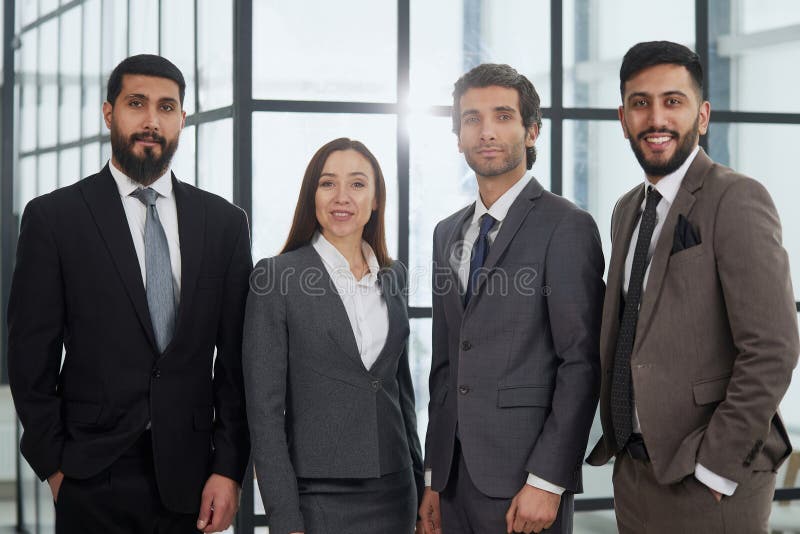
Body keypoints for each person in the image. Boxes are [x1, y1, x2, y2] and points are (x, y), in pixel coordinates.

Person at [7, 54, 252, 533]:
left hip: (191, 478)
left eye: (166, 107)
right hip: (89, 475)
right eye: (136, 103)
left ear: (183, 119)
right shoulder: (54, 219)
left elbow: (236, 364)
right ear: (108, 112)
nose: (150, 120)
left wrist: (228, 468)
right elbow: (28, 358)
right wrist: (56, 467)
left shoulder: (223, 224)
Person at [586, 40, 799, 533]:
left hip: (710, 484)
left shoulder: (737, 198)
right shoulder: (625, 212)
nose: (656, 117)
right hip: (635, 475)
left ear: (702, 115)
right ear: (623, 118)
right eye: (641, 103)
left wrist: (715, 469)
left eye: (672, 101)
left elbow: (771, 349)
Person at [418, 63, 605, 534]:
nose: (486, 131)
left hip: (526, 480)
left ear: (532, 130)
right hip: (453, 479)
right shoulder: (447, 233)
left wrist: (549, 479)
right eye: (471, 119)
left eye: (503, 116)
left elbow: (581, 362)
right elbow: (445, 365)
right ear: (457, 136)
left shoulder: (567, 226)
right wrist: (433, 477)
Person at [243, 137, 424, 534]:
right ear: (313, 195)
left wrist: (421, 483)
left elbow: (401, 392)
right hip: (317, 496)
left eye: (358, 184)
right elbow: (264, 412)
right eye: (328, 184)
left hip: (397, 490)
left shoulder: (394, 276)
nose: (342, 196)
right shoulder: (276, 277)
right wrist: (283, 515)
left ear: (376, 200)